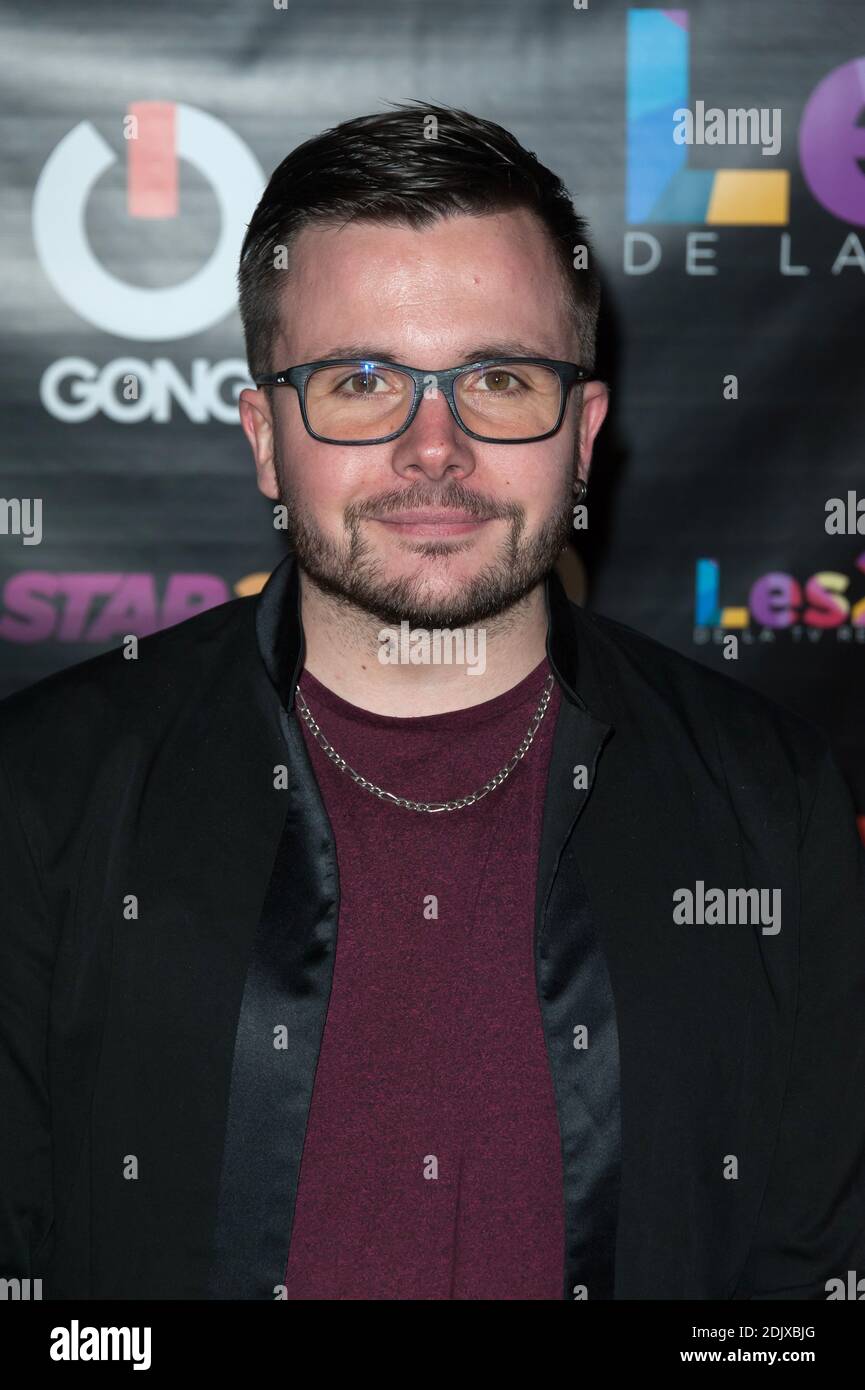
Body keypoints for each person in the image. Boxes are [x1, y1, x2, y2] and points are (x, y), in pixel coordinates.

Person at [1, 101, 863, 1301]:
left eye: (499, 378)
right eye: (360, 380)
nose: (433, 447)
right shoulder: (44, 789)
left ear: (583, 432)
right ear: (264, 436)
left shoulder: (770, 795)